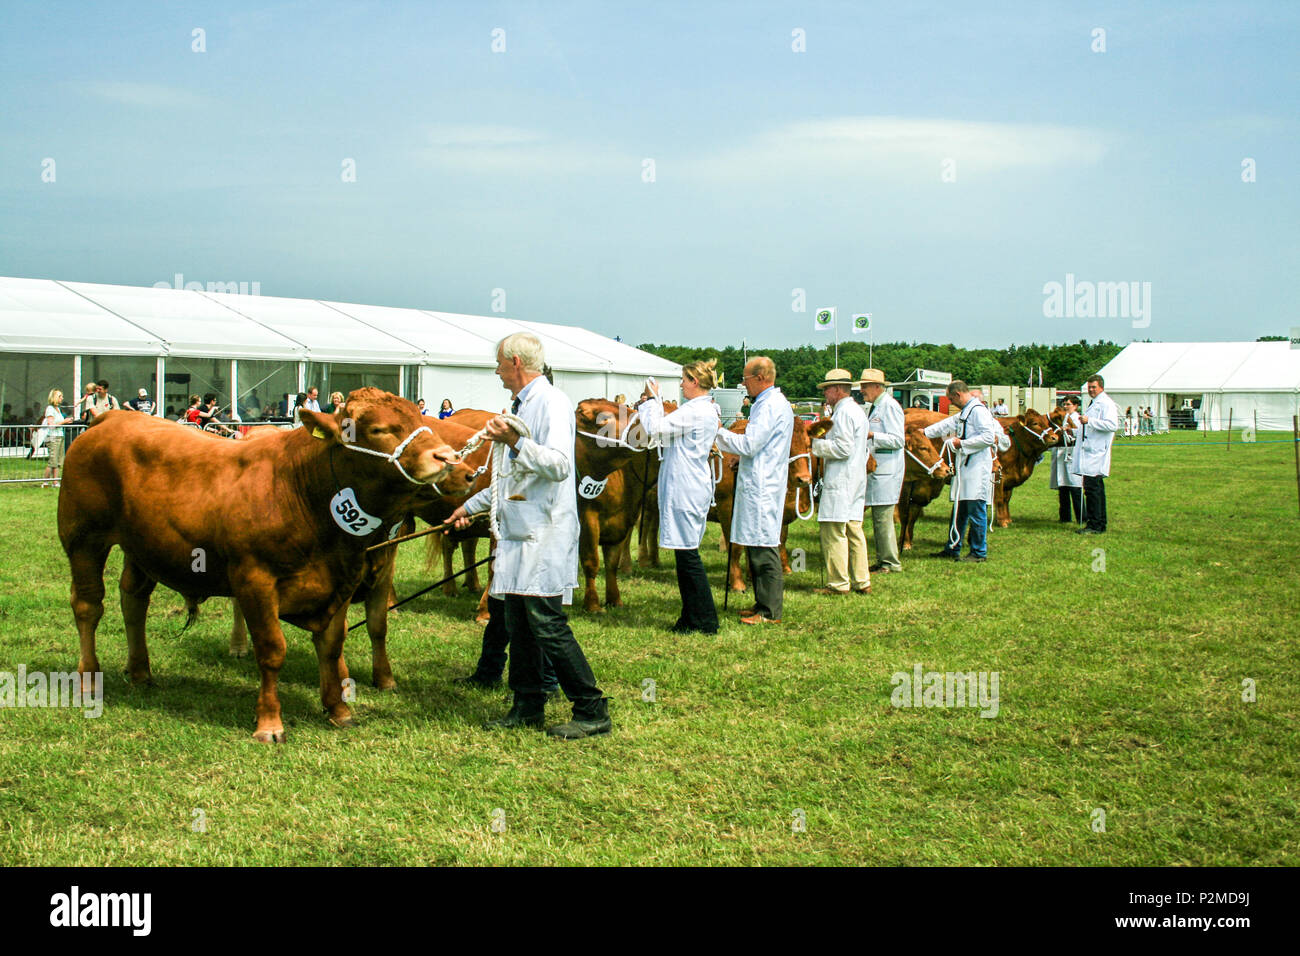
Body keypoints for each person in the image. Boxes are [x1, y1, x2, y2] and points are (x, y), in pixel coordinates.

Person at [446, 332, 611, 739]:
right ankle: (527, 705)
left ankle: (592, 709)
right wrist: (468, 508)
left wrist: (514, 441)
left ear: (516, 362)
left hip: (543, 530)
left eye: (500, 365)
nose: (498, 372)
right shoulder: (524, 405)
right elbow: (509, 477)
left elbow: (558, 466)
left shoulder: (550, 402)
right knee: (519, 622)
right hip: (522, 532)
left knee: (547, 623)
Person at [638, 359, 723, 633]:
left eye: (684, 380)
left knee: (688, 557)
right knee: (685, 555)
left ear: (695, 382)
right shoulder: (702, 409)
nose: (681, 385)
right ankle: (690, 617)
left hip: (686, 487)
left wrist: (652, 400)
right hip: (690, 485)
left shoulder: (695, 411)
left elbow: (655, 429)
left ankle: (705, 620)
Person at [713, 356, 794, 624]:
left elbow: (750, 444)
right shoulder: (768, 403)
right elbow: (760, 445)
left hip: (763, 484)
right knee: (756, 544)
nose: (743, 384)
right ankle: (762, 603)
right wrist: (742, 458)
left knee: (764, 546)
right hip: (760, 477)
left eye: (745, 379)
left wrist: (718, 432)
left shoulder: (770, 405)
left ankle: (770, 611)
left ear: (760, 378)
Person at [809, 369, 871, 596]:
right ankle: (862, 580)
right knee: (854, 530)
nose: (825, 393)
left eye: (827, 389)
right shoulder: (856, 411)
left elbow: (843, 448)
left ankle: (838, 583)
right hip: (854, 477)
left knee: (833, 530)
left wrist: (815, 445)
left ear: (837, 389)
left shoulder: (843, 413)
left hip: (841, 478)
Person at [923, 380, 999, 563]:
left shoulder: (978, 411)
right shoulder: (967, 411)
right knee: (959, 511)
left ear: (957, 395)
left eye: (951, 399)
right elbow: (946, 424)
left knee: (976, 510)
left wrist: (962, 444)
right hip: (965, 468)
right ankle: (952, 547)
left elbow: (989, 437)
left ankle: (979, 552)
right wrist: (924, 432)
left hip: (976, 468)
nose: (951, 403)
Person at [860, 368, 906, 575]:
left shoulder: (890, 406)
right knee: (879, 519)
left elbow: (898, 440)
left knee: (883, 519)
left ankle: (890, 563)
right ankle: (883, 560)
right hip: (879, 471)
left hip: (887, 471)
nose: (862, 390)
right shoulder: (876, 406)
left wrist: (872, 436)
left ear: (877, 386)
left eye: (865, 386)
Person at [1069, 374, 1120, 534]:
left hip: (1096, 453)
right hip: (1090, 452)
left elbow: (1112, 425)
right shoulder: (1095, 403)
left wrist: (1089, 421)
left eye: (1094, 387)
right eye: (1089, 387)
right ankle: (1098, 522)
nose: (1091, 390)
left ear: (1101, 387)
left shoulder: (1106, 404)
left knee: (1093, 489)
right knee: (1093, 488)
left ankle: (1095, 525)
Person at [1049, 396, 1083, 523]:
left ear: (1075, 406)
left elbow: (1080, 434)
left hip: (1072, 453)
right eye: (1064, 404)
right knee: (1062, 486)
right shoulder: (1063, 419)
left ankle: (1081, 516)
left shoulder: (1077, 419)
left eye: (1068, 404)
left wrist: (1069, 431)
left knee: (1075, 486)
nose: (1065, 406)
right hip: (1061, 453)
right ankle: (1064, 517)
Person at [37, 389, 76, 488]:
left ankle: (55, 481)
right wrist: (64, 422)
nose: (62, 398)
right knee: (52, 461)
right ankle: (45, 482)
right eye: (60, 396)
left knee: (58, 461)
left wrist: (66, 422)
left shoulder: (58, 408)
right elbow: (51, 425)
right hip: (53, 437)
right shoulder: (50, 409)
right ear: (54, 397)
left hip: (60, 436)